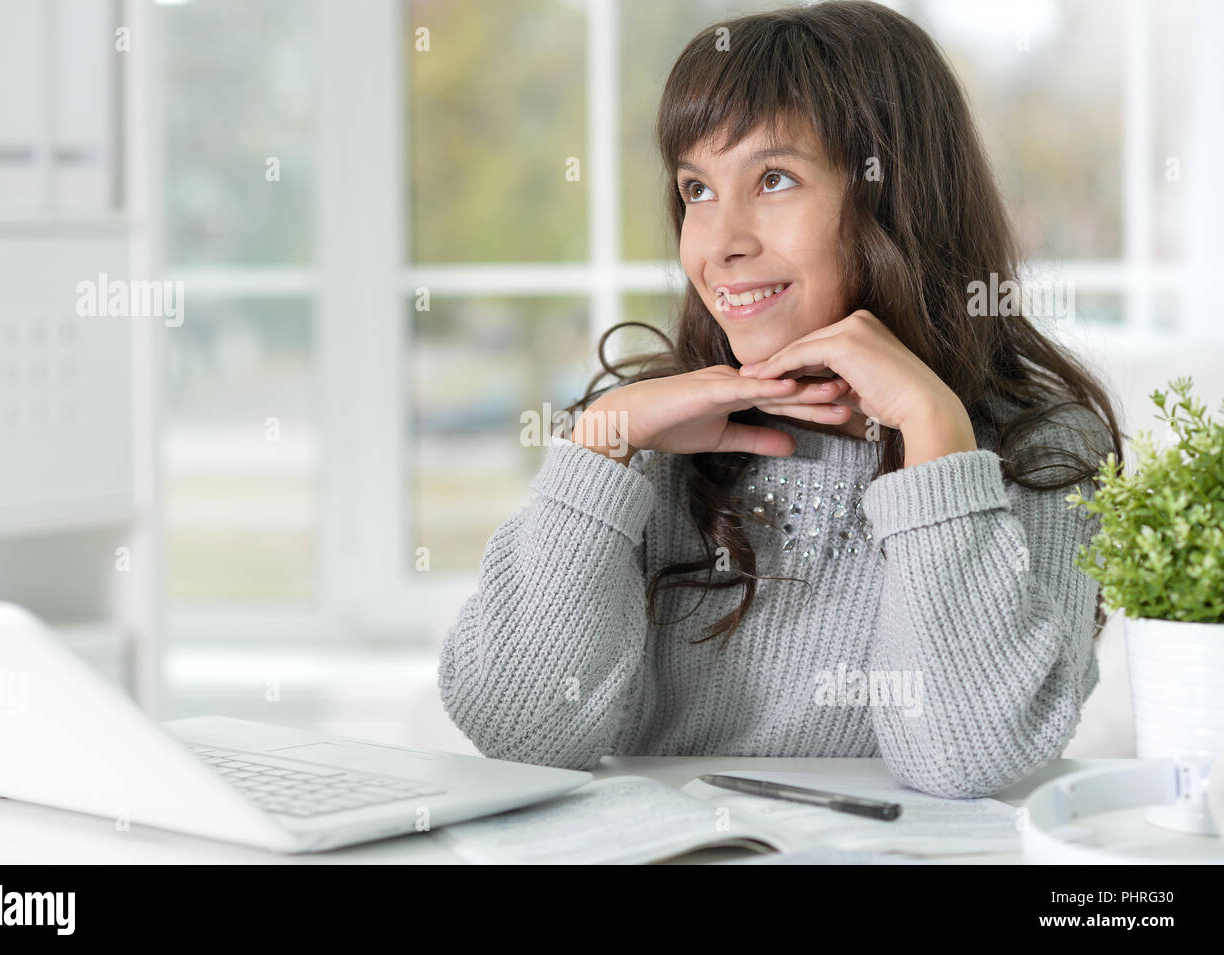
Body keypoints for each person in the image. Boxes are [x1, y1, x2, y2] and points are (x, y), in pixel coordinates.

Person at [437, 1, 1124, 799]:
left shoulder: (1045, 446)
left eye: (773, 179)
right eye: (696, 187)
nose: (720, 241)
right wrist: (600, 446)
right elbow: (518, 730)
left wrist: (937, 436)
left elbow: (966, 759)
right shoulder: (648, 435)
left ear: (895, 196)